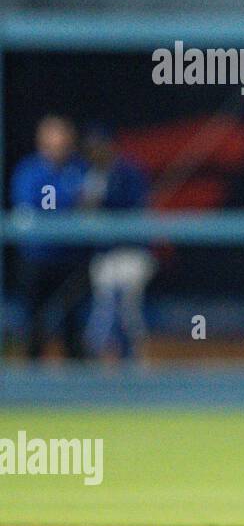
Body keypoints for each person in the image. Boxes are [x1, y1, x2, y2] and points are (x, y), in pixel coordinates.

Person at [9, 115, 90, 360]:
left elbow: (88, 205)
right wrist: (66, 208)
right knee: (35, 327)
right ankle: (32, 389)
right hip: (37, 260)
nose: (58, 144)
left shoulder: (80, 168)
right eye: (52, 138)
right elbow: (28, 211)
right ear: (41, 141)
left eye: (63, 138)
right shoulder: (28, 171)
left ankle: (79, 389)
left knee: (73, 330)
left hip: (71, 260)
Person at [79, 126, 154, 361]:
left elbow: (134, 206)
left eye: (100, 147)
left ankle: (134, 360)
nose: (96, 152)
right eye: (91, 149)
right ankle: (98, 362)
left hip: (131, 253)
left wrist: (103, 202)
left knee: (126, 310)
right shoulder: (89, 174)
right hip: (104, 253)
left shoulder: (128, 173)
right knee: (104, 308)